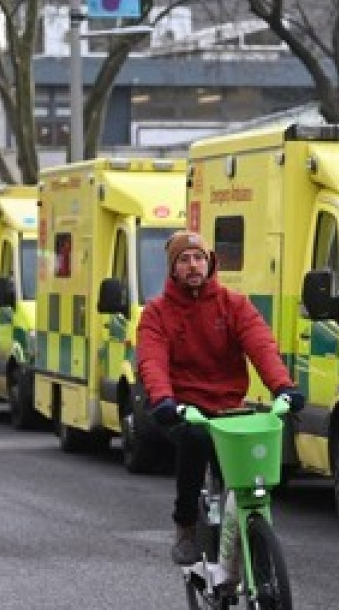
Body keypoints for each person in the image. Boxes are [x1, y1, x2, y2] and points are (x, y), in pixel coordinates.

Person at [137, 231, 305, 565]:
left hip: (229, 408)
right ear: (172, 269)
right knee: (196, 440)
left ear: (210, 262)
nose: (193, 265)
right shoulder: (156, 313)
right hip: (184, 409)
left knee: (247, 464)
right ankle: (185, 524)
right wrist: (162, 400)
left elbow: (261, 346)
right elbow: (152, 361)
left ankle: (247, 533)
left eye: (199, 258)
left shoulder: (234, 305)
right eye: (184, 260)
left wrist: (283, 388)